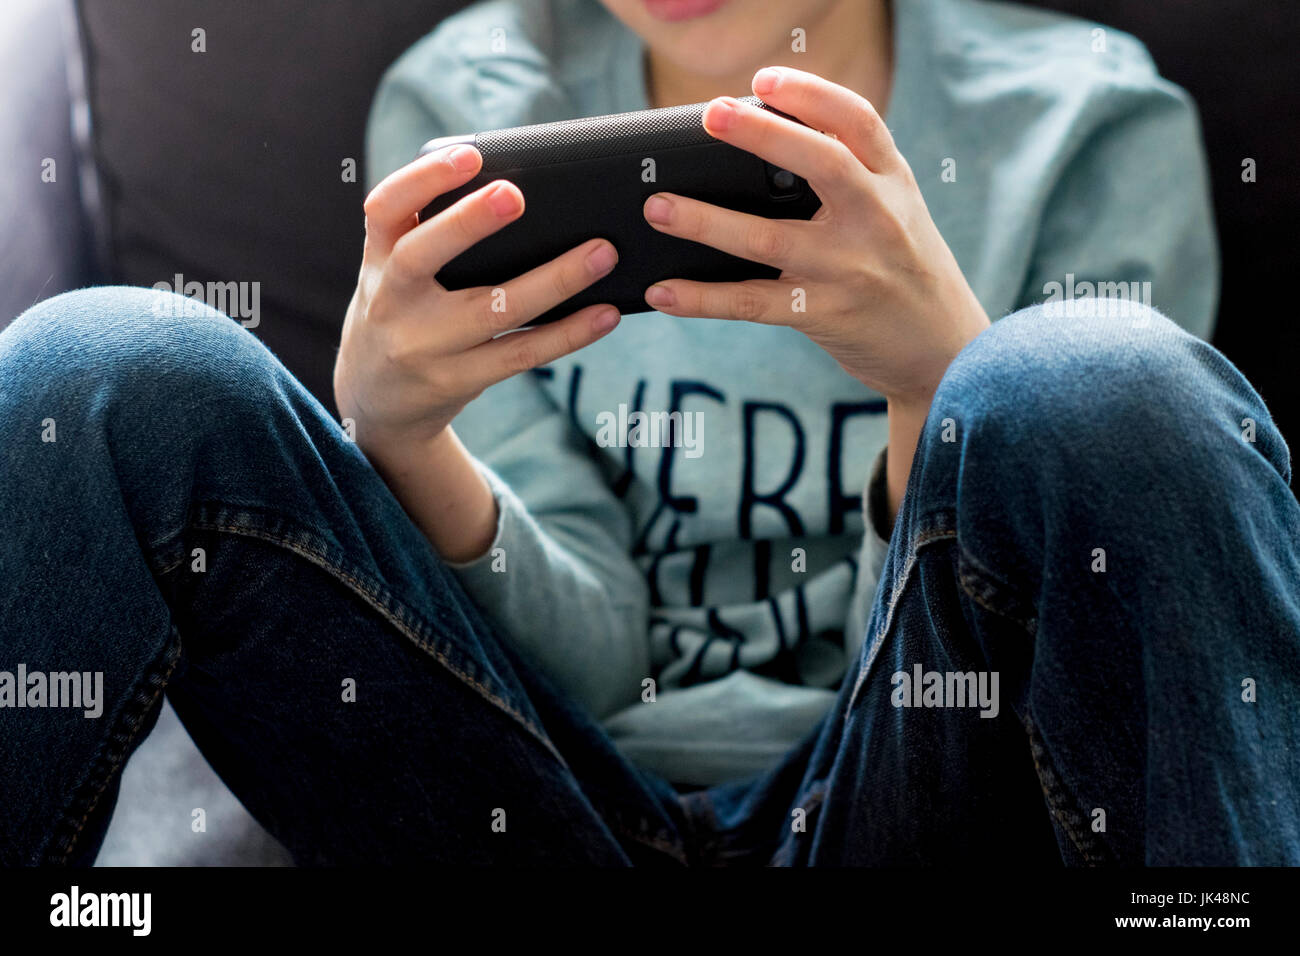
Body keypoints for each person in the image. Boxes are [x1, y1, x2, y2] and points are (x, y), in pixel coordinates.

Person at [1, 0, 1296, 866]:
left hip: (924, 783)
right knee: (98, 369)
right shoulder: (473, 99)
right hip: (529, 793)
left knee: (1105, 381)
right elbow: (599, 661)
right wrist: (396, 443)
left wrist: (939, 378)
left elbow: (1070, 632)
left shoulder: (1088, 123)